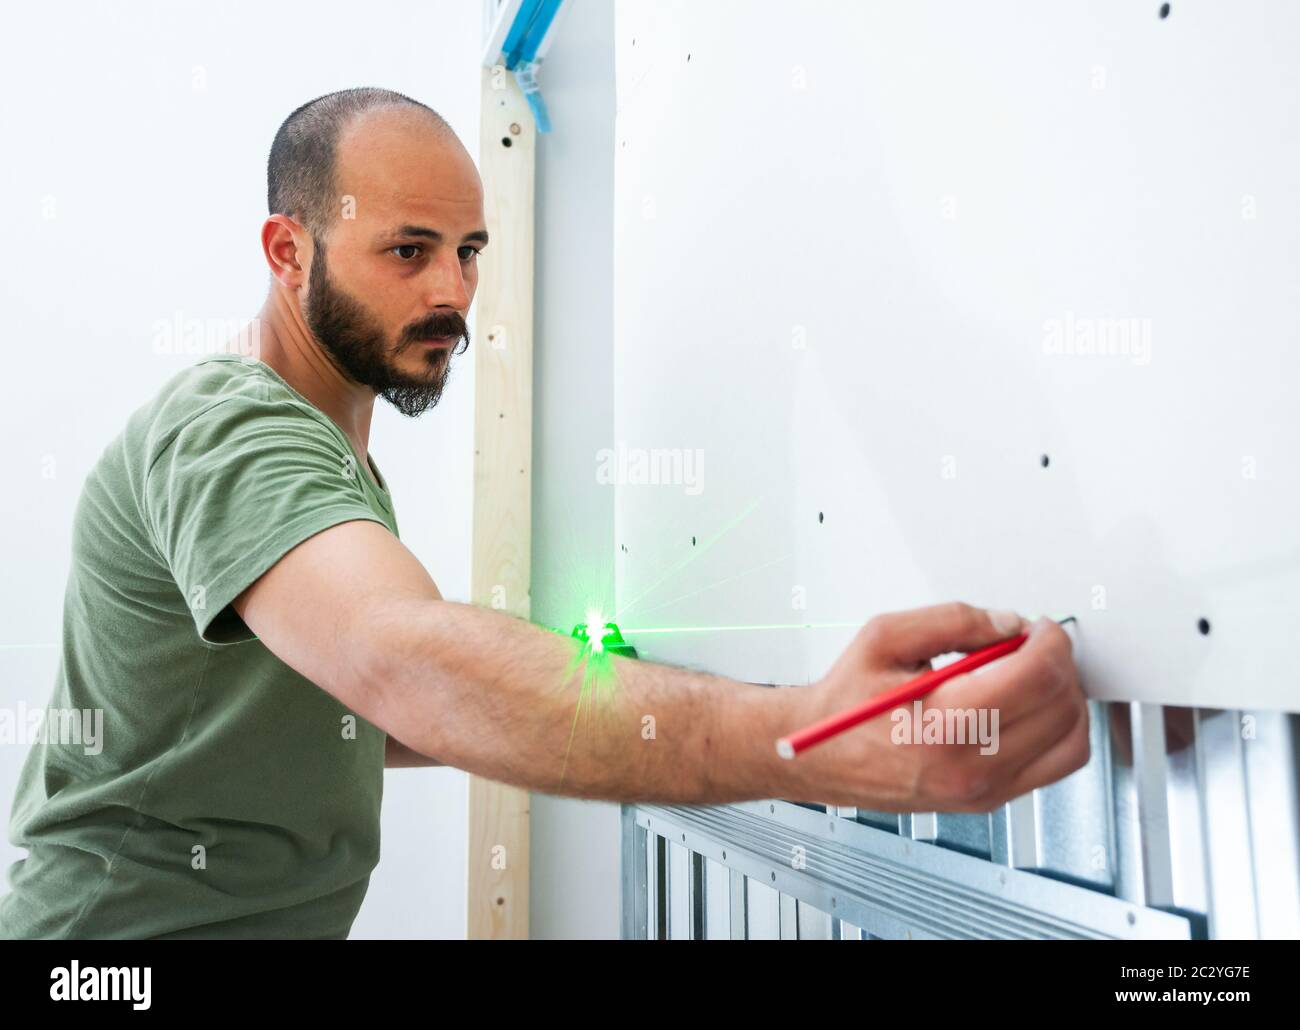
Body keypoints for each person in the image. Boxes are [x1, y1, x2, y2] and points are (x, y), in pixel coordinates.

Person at [0, 88, 1087, 939]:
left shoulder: (328, 465)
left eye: (469, 251)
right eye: (408, 249)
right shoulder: (233, 429)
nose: (454, 291)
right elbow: (405, 662)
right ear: (289, 251)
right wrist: (802, 737)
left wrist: (625, 685)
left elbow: (345, 717)